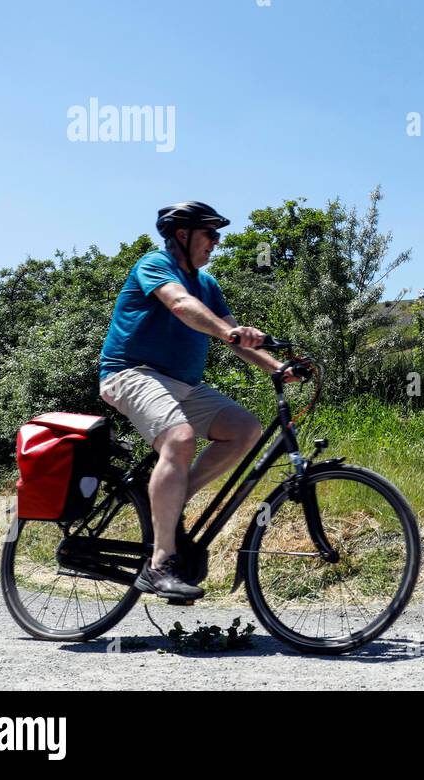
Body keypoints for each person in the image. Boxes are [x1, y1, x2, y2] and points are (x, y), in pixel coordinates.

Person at [98, 202, 289, 601]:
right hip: (130, 372)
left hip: (183, 383)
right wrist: (228, 332)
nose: (216, 242)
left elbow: (234, 337)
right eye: (210, 234)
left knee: (245, 430)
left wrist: (278, 368)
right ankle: (160, 563)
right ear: (182, 235)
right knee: (179, 439)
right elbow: (182, 307)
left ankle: (173, 499)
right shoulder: (155, 264)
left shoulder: (208, 285)